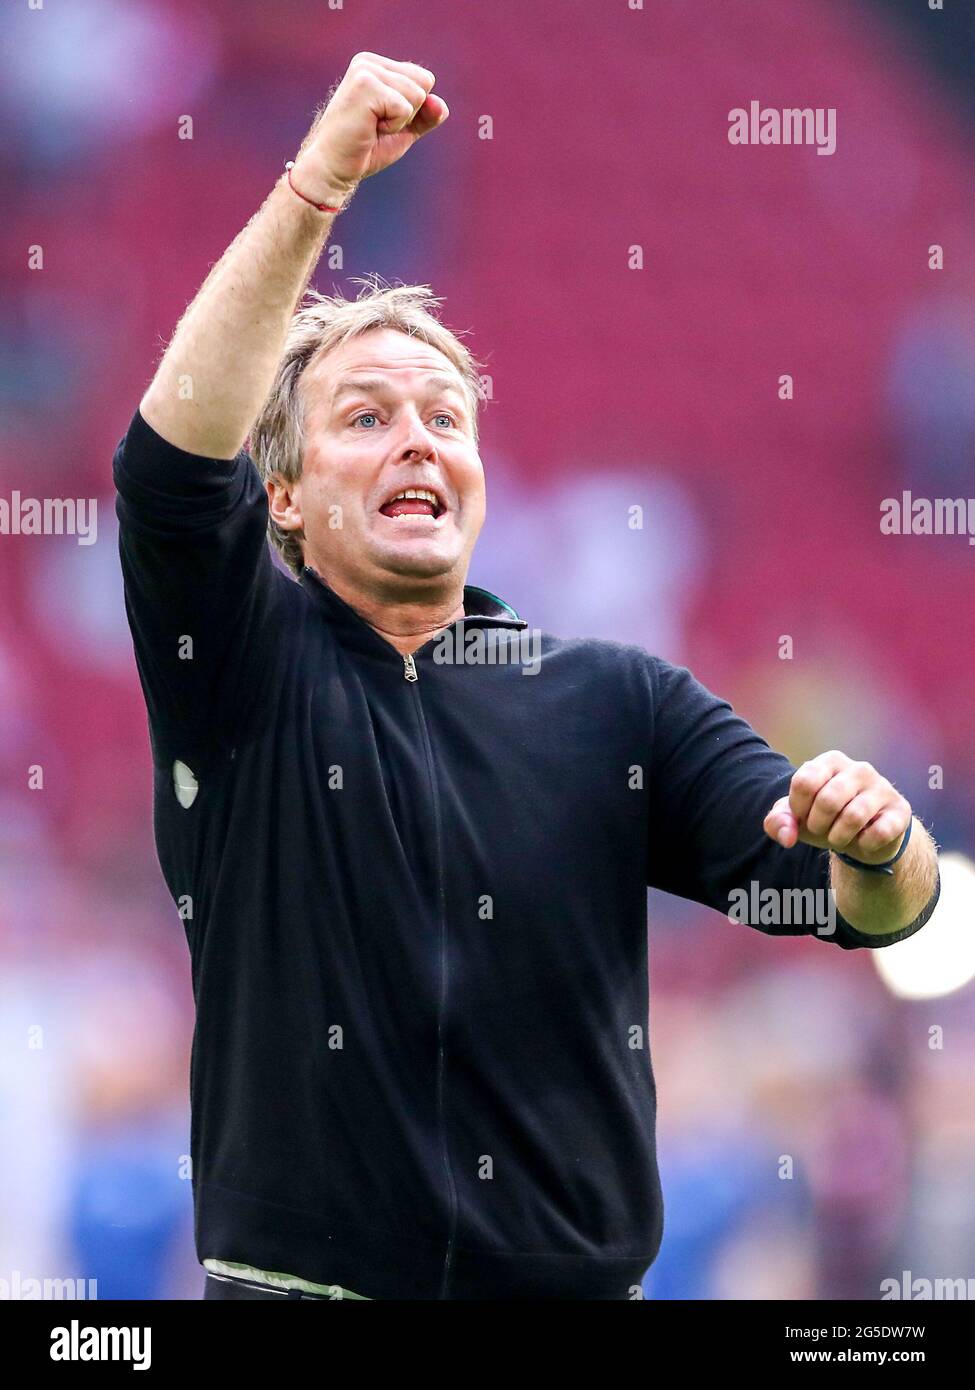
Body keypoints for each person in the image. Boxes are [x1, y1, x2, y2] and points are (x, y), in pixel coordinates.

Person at [113, 52, 941, 1301]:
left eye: (447, 418)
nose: (419, 441)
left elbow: (864, 908)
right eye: (366, 416)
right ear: (282, 493)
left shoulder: (622, 703)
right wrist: (317, 186)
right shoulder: (240, 672)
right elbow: (168, 471)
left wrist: (883, 849)